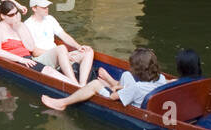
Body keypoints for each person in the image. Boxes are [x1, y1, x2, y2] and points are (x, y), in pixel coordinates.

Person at [41, 47, 178, 112]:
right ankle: (109, 82)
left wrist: (113, 89)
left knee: (94, 84)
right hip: (137, 94)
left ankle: (62, 103)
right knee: (125, 76)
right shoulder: (161, 77)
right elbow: (170, 82)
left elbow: (113, 98)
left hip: (129, 101)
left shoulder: (135, 88)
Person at [0, 0, 77, 84]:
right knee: (48, 71)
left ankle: (75, 85)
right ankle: (76, 87)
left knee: (52, 65)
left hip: (29, 59)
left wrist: (19, 28)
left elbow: (30, 47)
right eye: (11, 15)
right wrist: (21, 59)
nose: (15, 17)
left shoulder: (20, 26)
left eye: (16, 13)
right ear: (3, 16)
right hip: (15, 62)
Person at [24, 0, 95, 84]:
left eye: (47, 6)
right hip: (42, 58)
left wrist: (79, 46)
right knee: (61, 48)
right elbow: (34, 51)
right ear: (34, 8)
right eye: (43, 7)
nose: (47, 9)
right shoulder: (27, 25)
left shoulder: (50, 19)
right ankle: (74, 84)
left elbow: (64, 35)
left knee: (88, 51)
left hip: (59, 55)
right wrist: (61, 54)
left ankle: (82, 85)